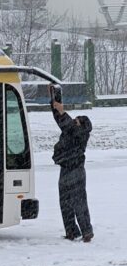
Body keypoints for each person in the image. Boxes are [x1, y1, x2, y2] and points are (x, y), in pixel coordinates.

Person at [51, 91, 94, 242]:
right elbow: (61, 120)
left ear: (82, 126)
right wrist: (54, 101)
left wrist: (63, 112)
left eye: (76, 121)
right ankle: (71, 232)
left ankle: (87, 232)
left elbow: (68, 125)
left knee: (78, 202)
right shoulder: (71, 130)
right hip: (65, 168)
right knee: (65, 203)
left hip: (76, 170)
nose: (73, 122)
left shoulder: (81, 133)